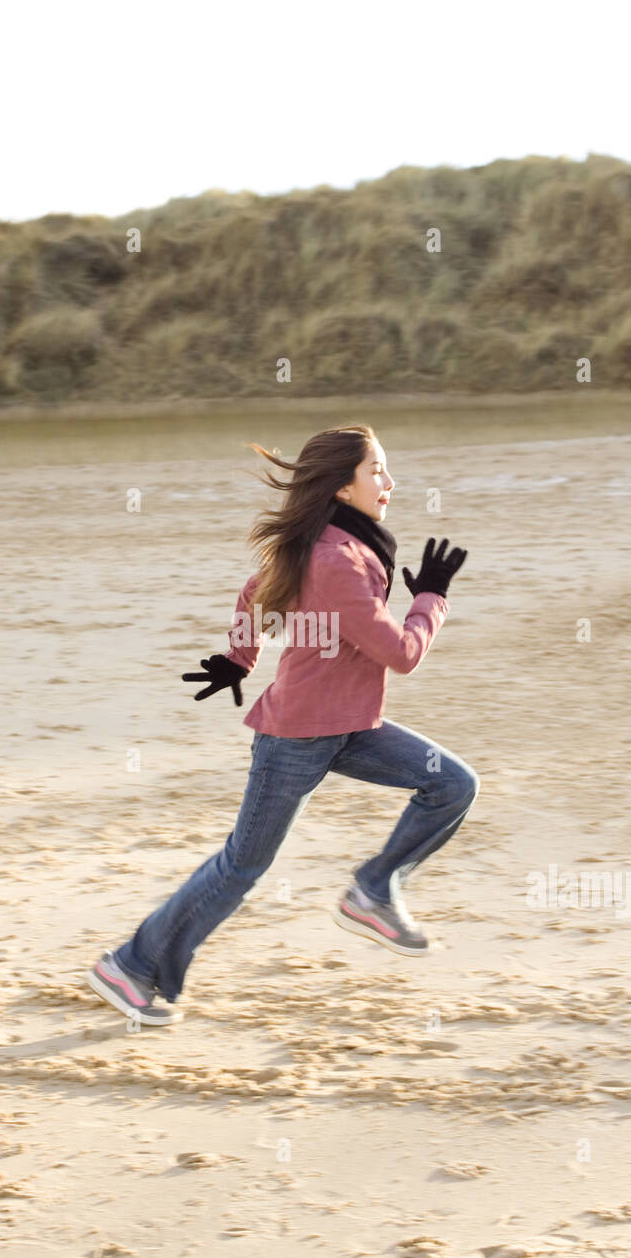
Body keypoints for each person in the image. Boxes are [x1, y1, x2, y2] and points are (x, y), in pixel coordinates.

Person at [88, 423, 479, 1026]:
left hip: (351, 727)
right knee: (241, 866)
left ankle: (373, 890)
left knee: (453, 785)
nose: (390, 482)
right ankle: (132, 967)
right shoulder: (337, 560)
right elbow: (401, 654)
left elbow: (254, 592)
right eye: (377, 470)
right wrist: (432, 598)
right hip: (296, 738)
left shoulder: (336, 544)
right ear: (342, 487)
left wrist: (239, 658)